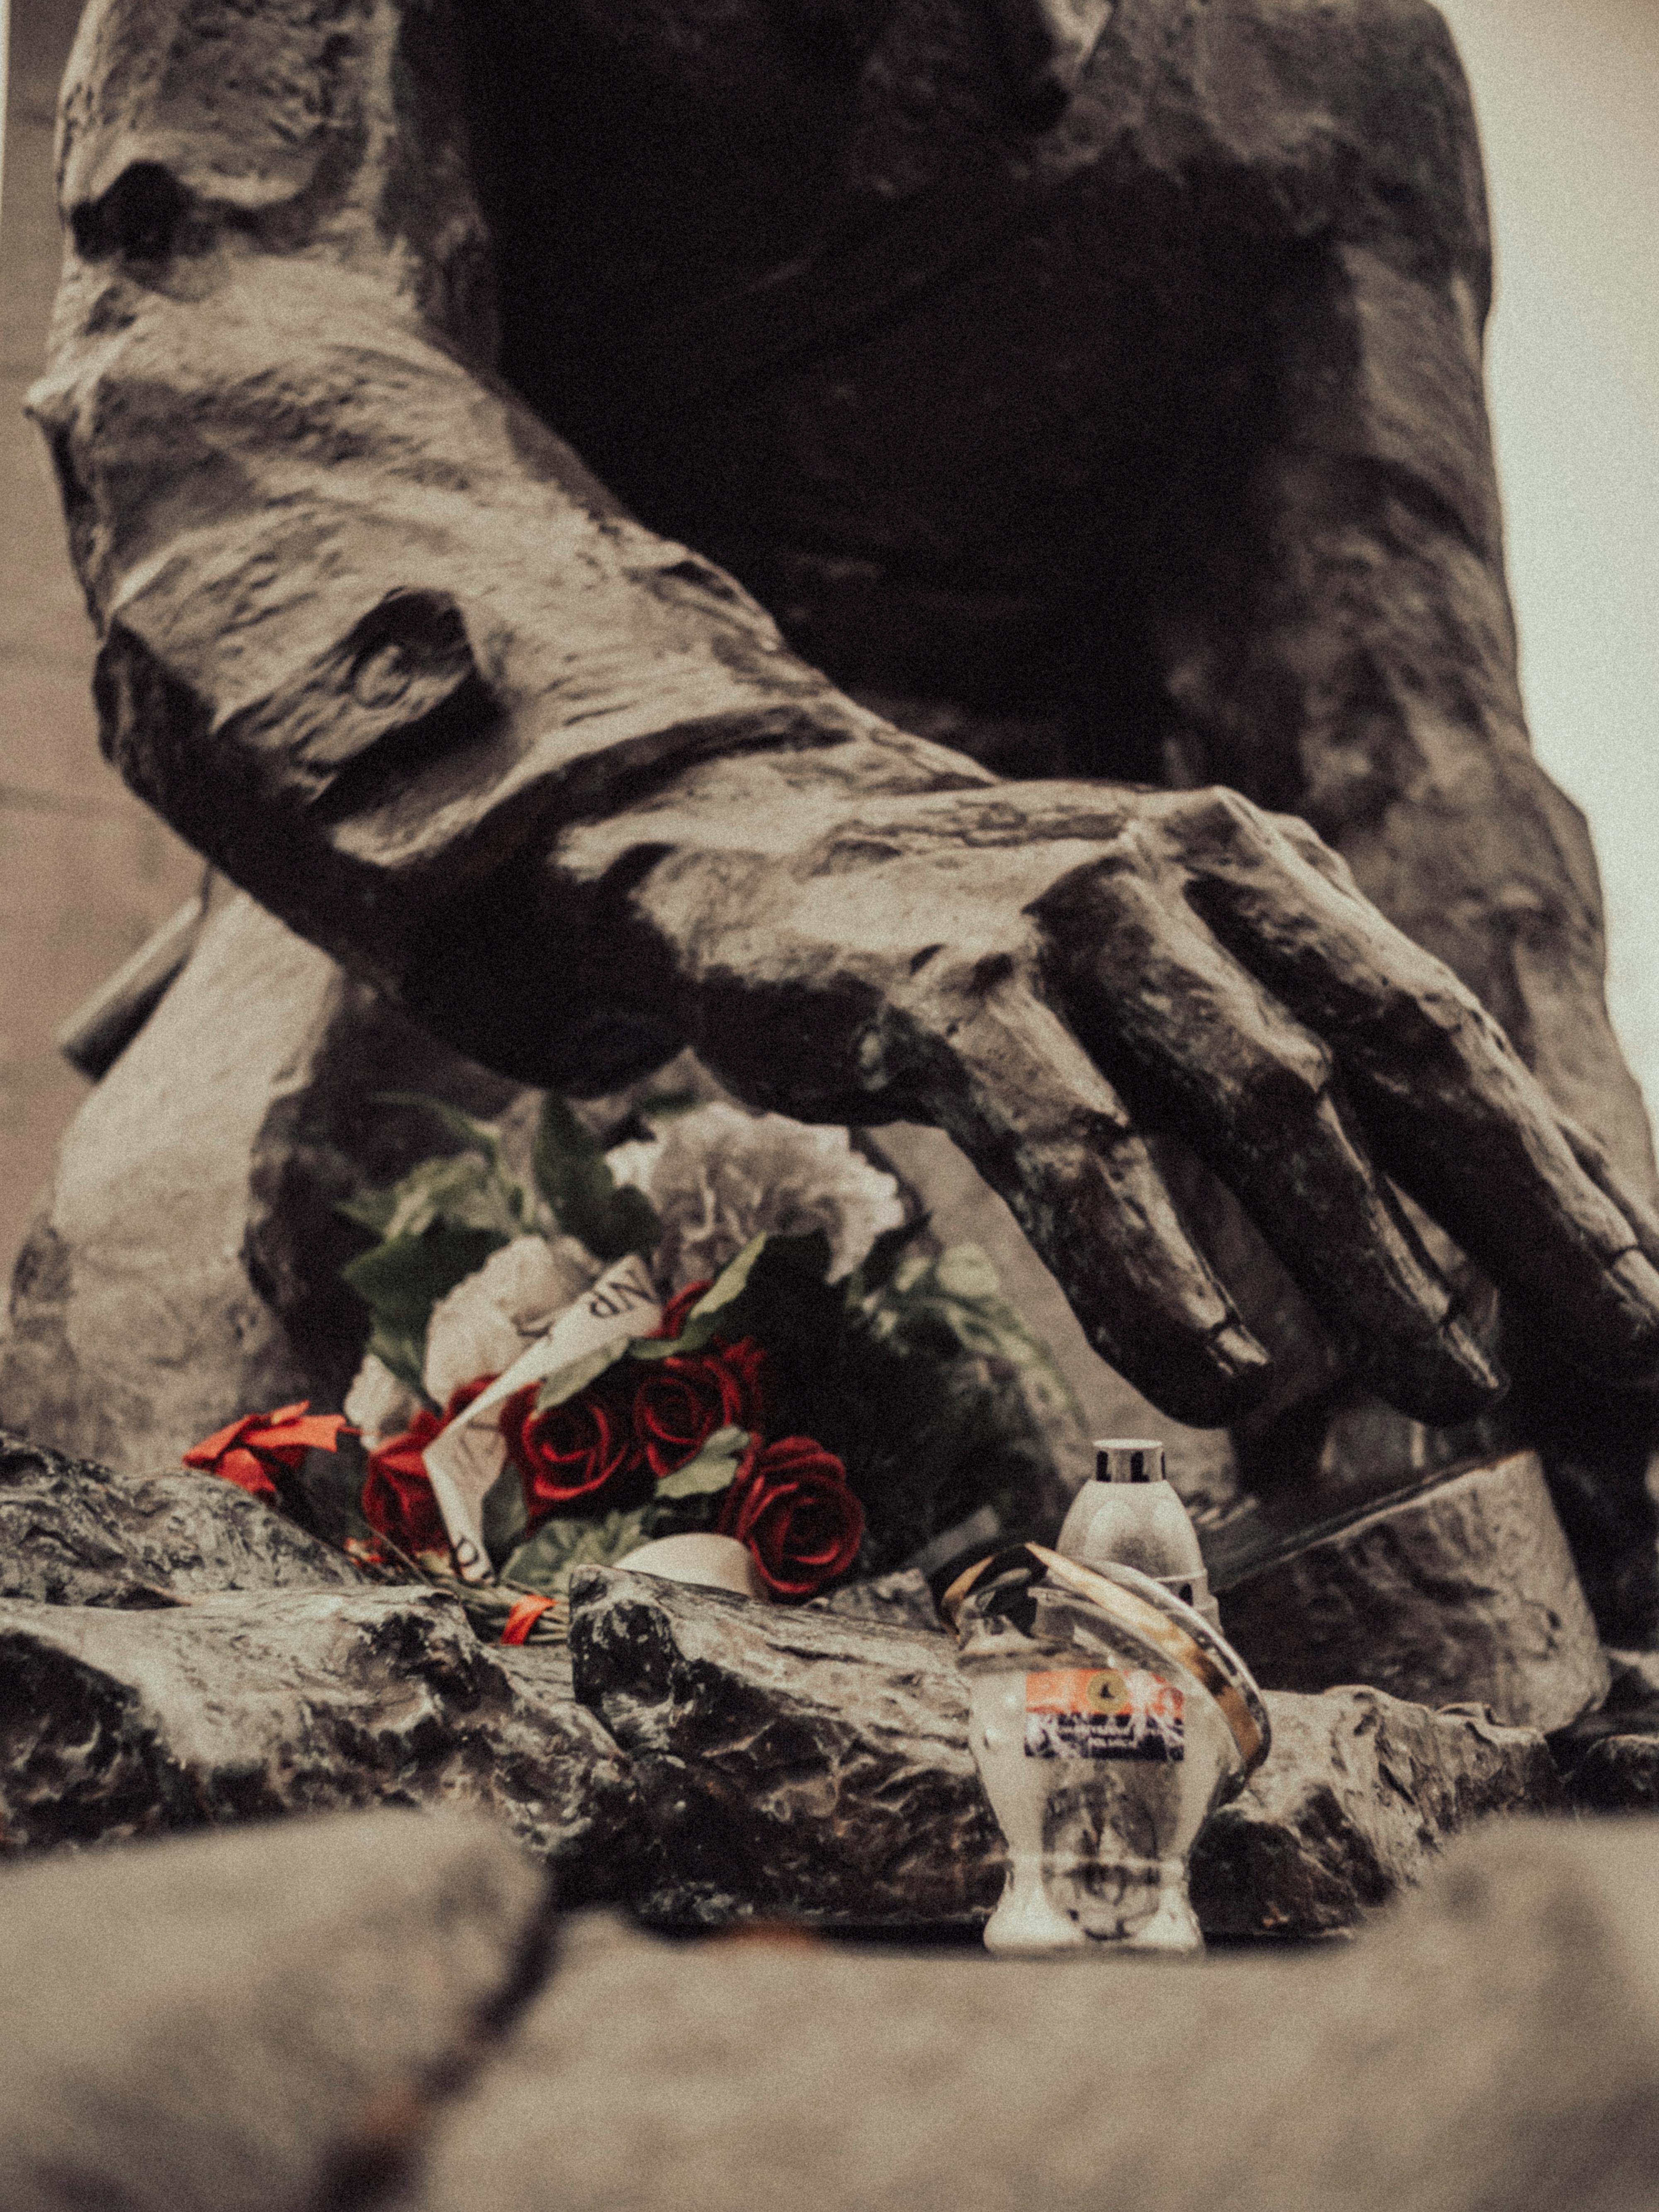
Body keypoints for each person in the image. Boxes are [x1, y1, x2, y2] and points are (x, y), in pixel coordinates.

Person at [31, 0, 1659, 1629]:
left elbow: (1397, 718)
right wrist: (761, 823)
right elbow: (236, 356)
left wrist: (1577, 1237)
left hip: (1080, 1014)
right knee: (214, 1592)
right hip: (463, 869)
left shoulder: (1339, 49)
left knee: (1207, 1664)